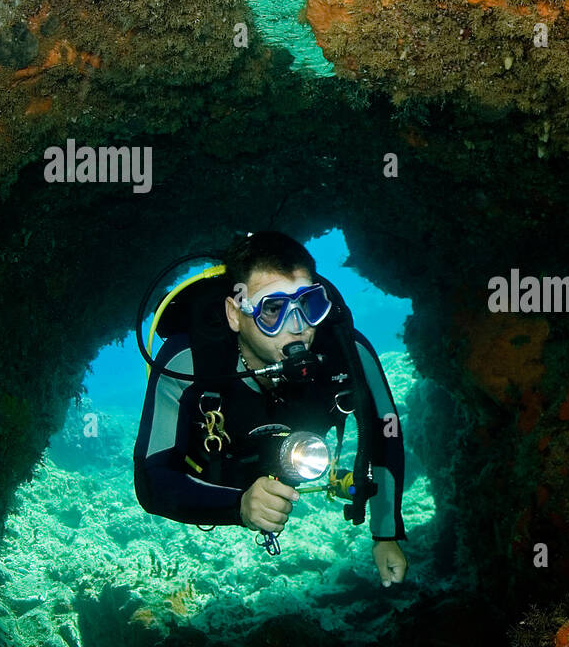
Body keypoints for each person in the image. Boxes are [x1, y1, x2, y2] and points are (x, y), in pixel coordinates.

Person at [133, 231, 407, 586]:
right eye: (273, 310)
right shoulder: (187, 360)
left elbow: (387, 429)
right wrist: (239, 507)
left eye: (308, 305)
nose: (297, 329)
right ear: (235, 314)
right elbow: (151, 479)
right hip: (219, 484)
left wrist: (387, 533)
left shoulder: (347, 350)